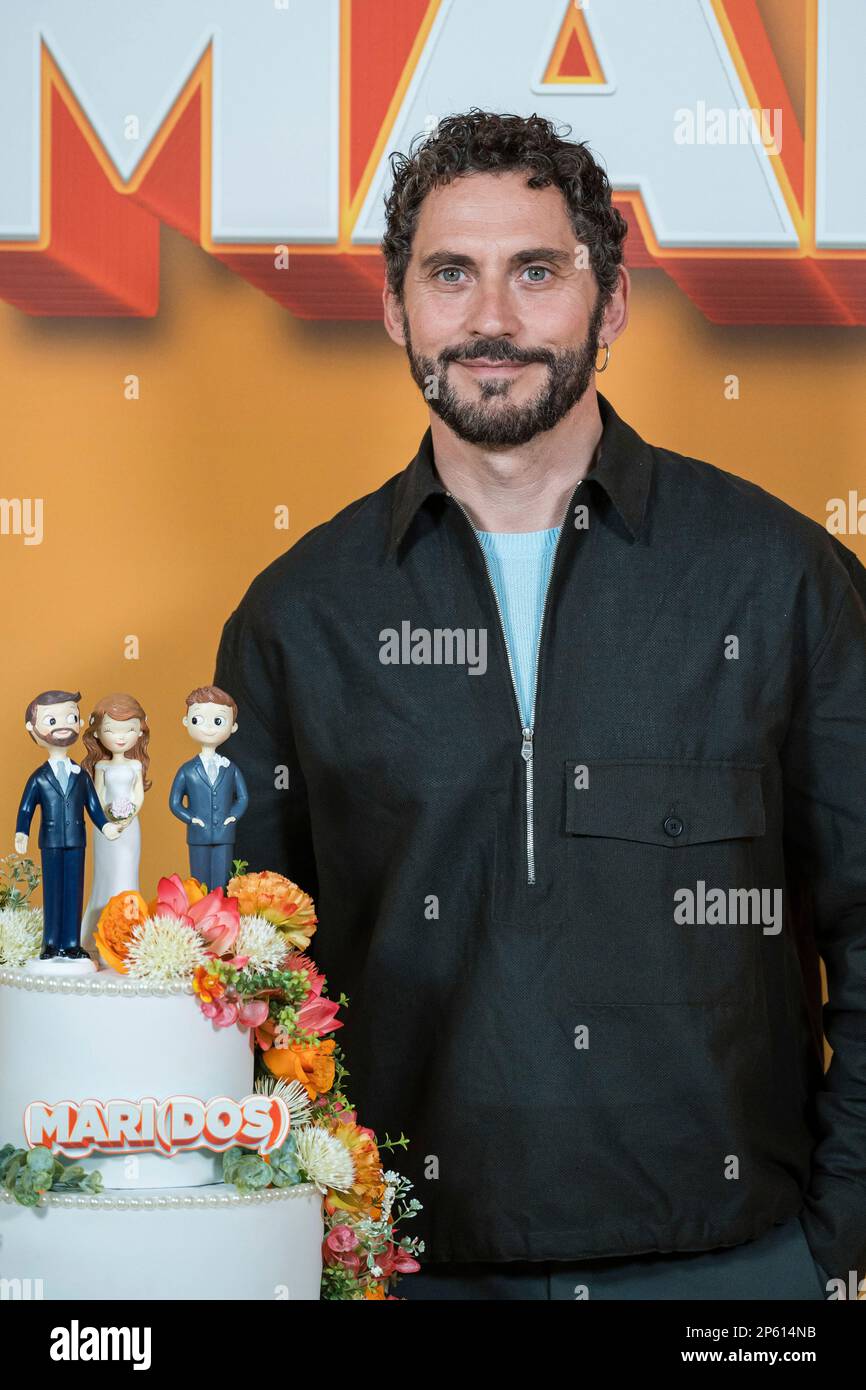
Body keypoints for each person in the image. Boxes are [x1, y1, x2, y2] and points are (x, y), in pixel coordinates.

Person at [213, 110, 866, 1300]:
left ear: (609, 304)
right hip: (403, 1270)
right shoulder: (295, 616)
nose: (492, 320)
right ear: (393, 309)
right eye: (449, 275)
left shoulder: (778, 580)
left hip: (733, 1272)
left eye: (537, 272)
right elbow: (253, 979)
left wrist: (834, 1242)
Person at [79, 692, 151, 952]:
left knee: (127, 875)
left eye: (129, 729)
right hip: (105, 829)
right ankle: (94, 940)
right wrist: (106, 819)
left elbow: (138, 796)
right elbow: (96, 797)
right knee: (105, 877)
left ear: (140, 732)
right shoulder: (101, 768)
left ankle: (130, 940)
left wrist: (128, 816)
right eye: (111, 730)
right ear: (97, 733)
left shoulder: (134, 766)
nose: (120, 737)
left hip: (129, 829)